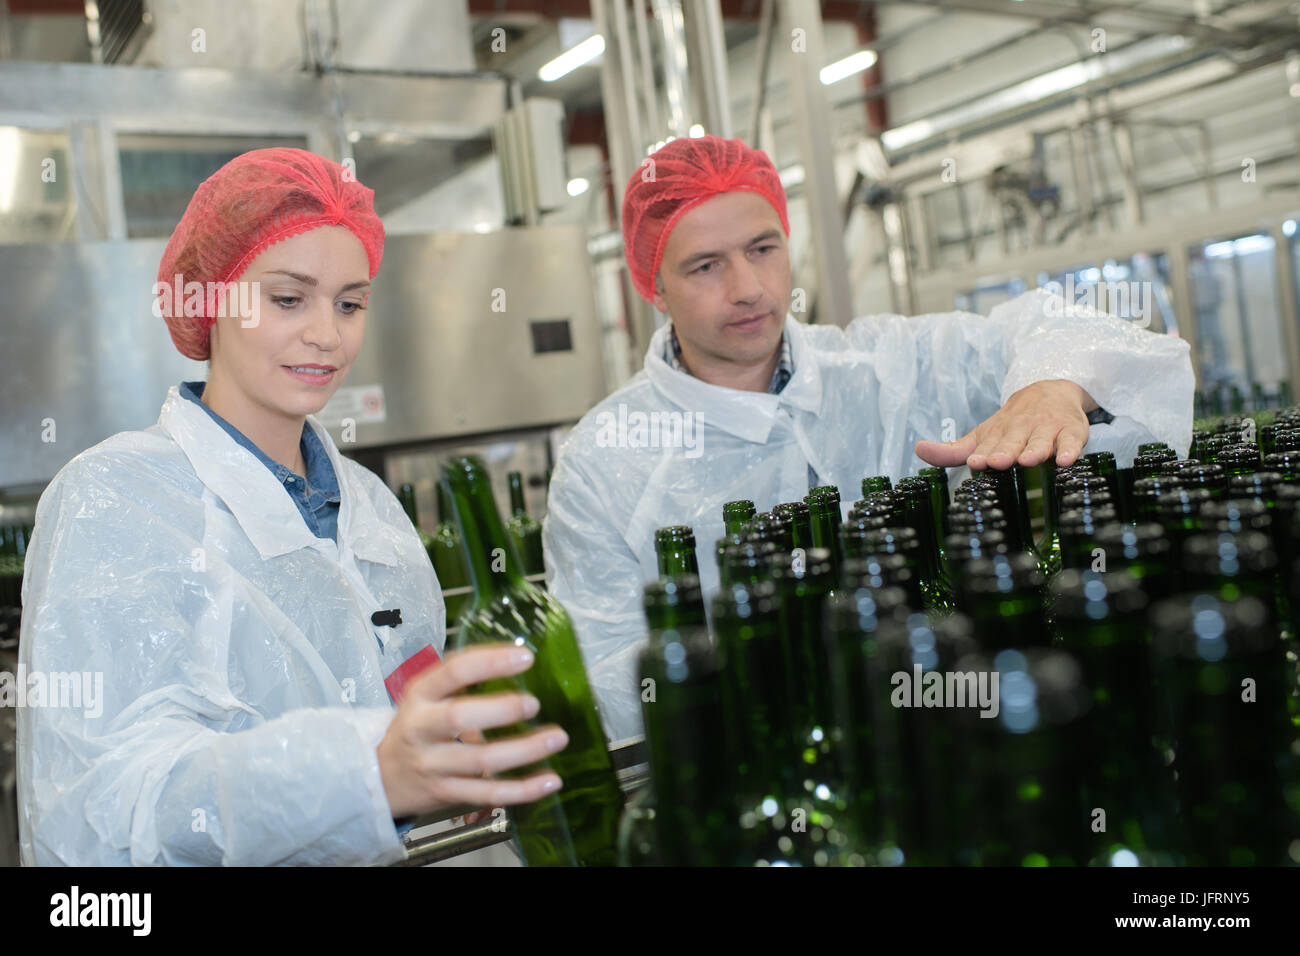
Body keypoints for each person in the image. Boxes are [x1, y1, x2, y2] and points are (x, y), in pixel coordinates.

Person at [543, 135, 1194, 744]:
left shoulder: (886, 368)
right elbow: (603, 682)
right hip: (753, 752)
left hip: (943, 727)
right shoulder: (604, 462)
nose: (747, 289)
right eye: (706, 266)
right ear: (652, 285)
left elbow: (1064, 323)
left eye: (763, 249)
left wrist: (1050, 384)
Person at [17, 148, 565, 866]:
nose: (327, 336)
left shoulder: (372, 509)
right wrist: (361, 774)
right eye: (287, 299)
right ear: (210, 299)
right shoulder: (112, 501)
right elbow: (104, 812)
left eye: (350, 303)